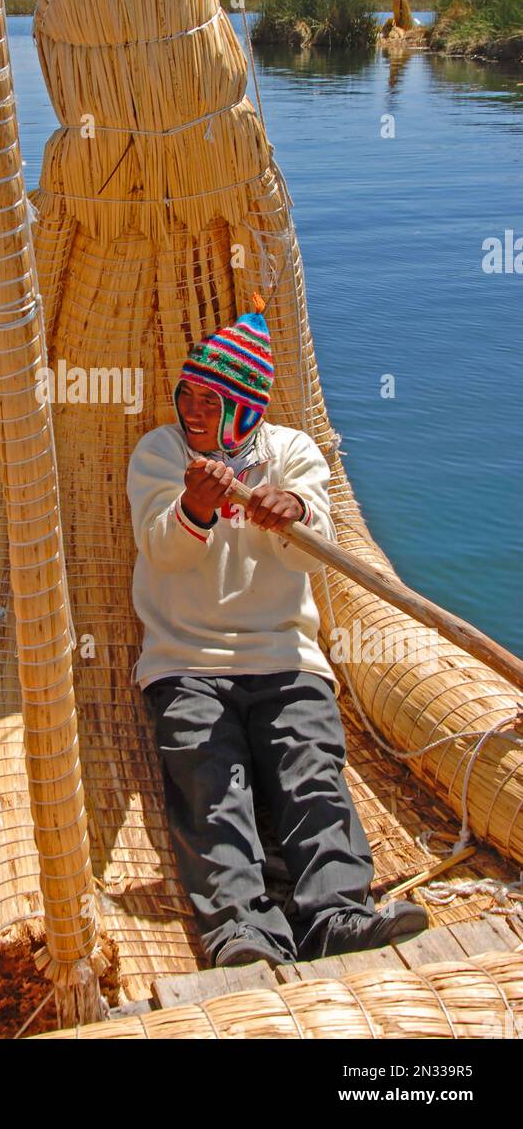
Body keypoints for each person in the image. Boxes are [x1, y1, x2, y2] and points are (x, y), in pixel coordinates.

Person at [126, 298, 428, 967]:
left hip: (284, 658)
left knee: (310, 772)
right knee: (210, 786)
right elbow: (162, 550)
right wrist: (194, 508)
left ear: (245, 406)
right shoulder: (158, 454)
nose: (194, 411)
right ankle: (242, 930)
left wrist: (291, 511)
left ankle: (337, 915)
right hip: (185, 664)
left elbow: (309, 545)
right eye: (187, 395)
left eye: (211, 399)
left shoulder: (290, 451)